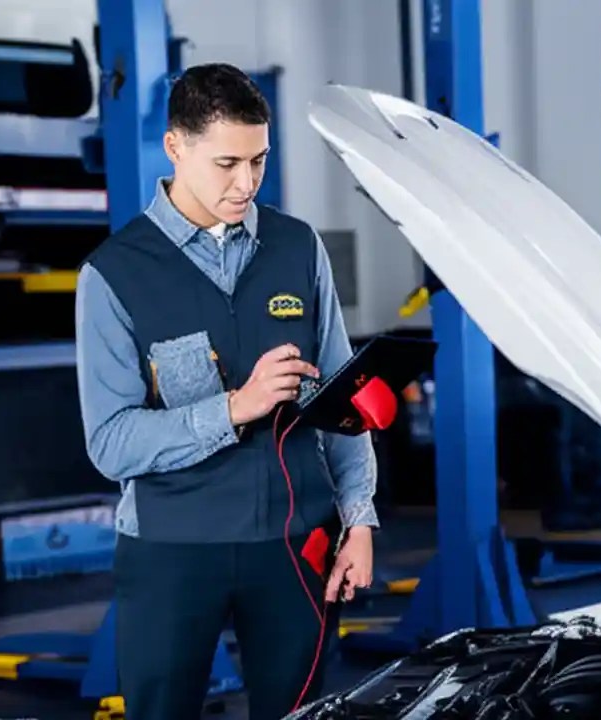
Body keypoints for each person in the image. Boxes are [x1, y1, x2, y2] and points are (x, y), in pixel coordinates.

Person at [74, 63, 376, 719]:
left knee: (308, 713)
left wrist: (359, 517)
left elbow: (345, 399)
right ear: (176, 148)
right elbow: (110, 443)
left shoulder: (297, 247)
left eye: (260, 161)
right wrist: (236, 408)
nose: (246, 184)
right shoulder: (114, 274)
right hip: (173, 554)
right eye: (227, 163)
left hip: (295, 546)